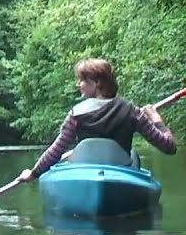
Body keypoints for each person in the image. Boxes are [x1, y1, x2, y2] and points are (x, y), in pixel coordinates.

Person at [17, 58, 176, 184]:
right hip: (121, 171)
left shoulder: (76, 114)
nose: (79, 85)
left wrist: (34, 173)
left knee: (68, 156)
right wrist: (157, 121)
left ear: (97, 83)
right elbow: (169, 147)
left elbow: (55, 151)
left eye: (82, 80)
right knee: (133, 156)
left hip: (85, 172)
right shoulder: (132, 112)